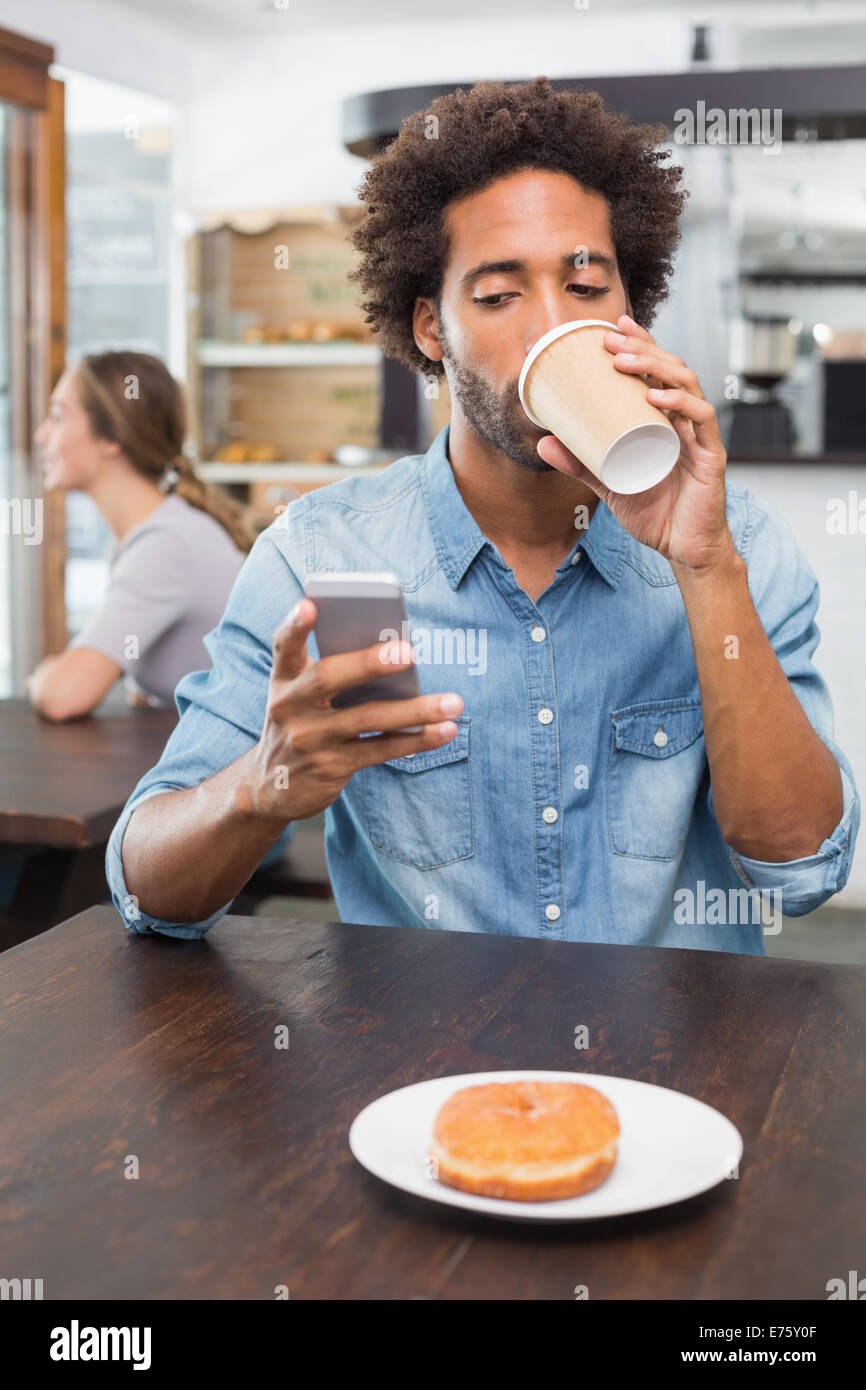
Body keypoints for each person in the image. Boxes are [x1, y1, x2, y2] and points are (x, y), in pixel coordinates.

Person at [106, 77, 858, 952]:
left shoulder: (739, 545)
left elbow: (803, 872)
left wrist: (705, 567)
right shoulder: (324, 557)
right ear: (431, 328)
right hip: (424, 1075)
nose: (549, 326)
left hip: (671, 1075)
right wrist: (260, 786)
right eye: (500, 296)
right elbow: (148, 890)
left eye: (585, 289)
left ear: (629, 310)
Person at [29, 351, 252, 719]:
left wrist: (41, 679)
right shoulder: (160, 530)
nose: (42, 435)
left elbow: (64, 695)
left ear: (112, 438)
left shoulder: (166, 544)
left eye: (57, 416)